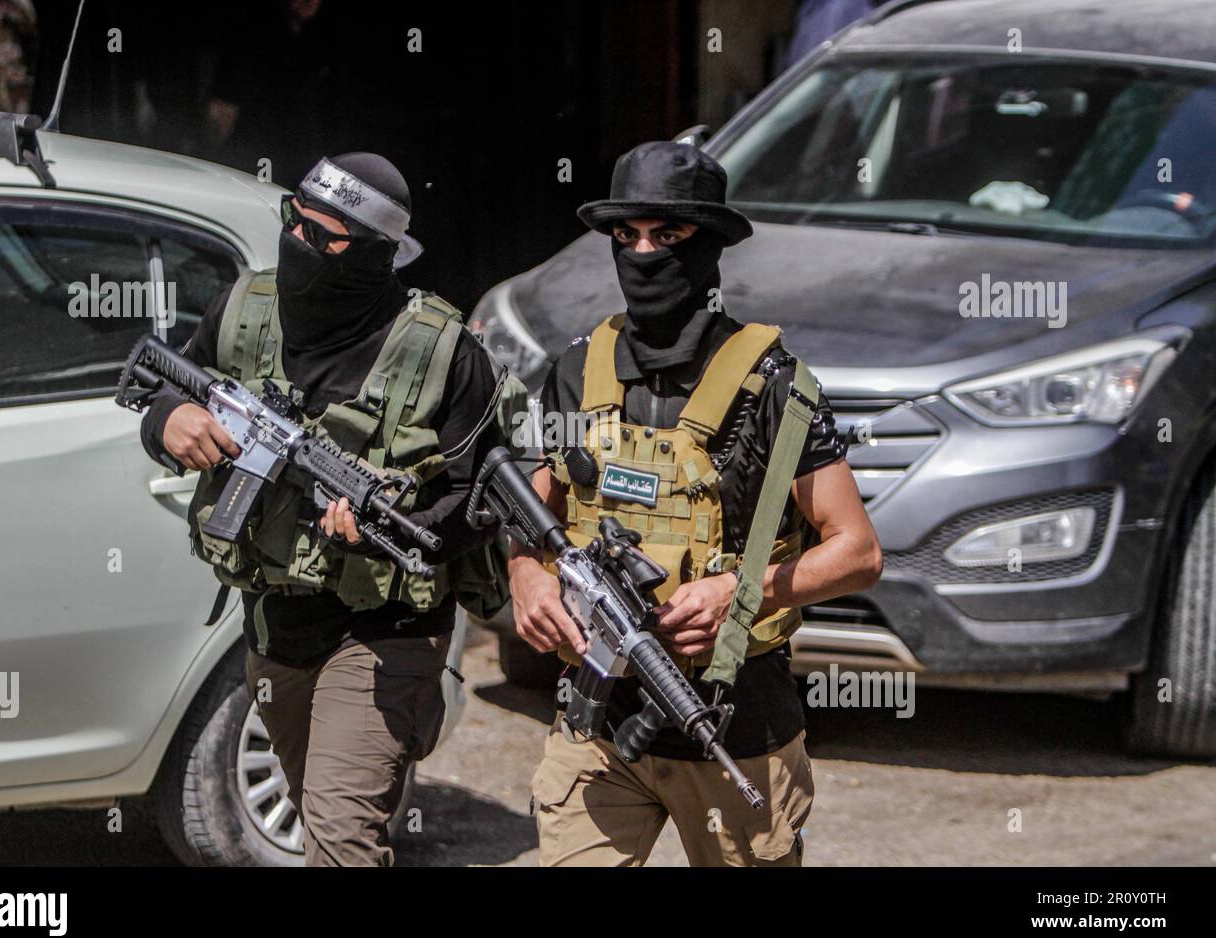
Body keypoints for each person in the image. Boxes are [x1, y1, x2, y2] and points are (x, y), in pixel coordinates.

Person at [508, 141, 882, 866]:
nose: (643, 254)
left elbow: (858, 552)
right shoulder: (576, 369)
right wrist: (527, 576)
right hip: (597, 729)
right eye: (627, 236)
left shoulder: (774, 386)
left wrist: (736, 594)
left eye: (668, 235)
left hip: (733, 729)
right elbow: (525, 509)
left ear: (707, 245)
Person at [138, 152, 498, 866]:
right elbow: (168, 381)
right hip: (275, 628)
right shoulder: (247, 309)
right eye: (292, 224)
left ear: (374, 256)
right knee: (318, 820)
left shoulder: (442, 354)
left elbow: (482, 498)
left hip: (384, 633)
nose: (299, 244)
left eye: (325, 238)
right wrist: (167, 421)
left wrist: (400, 531)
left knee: (338, 838)